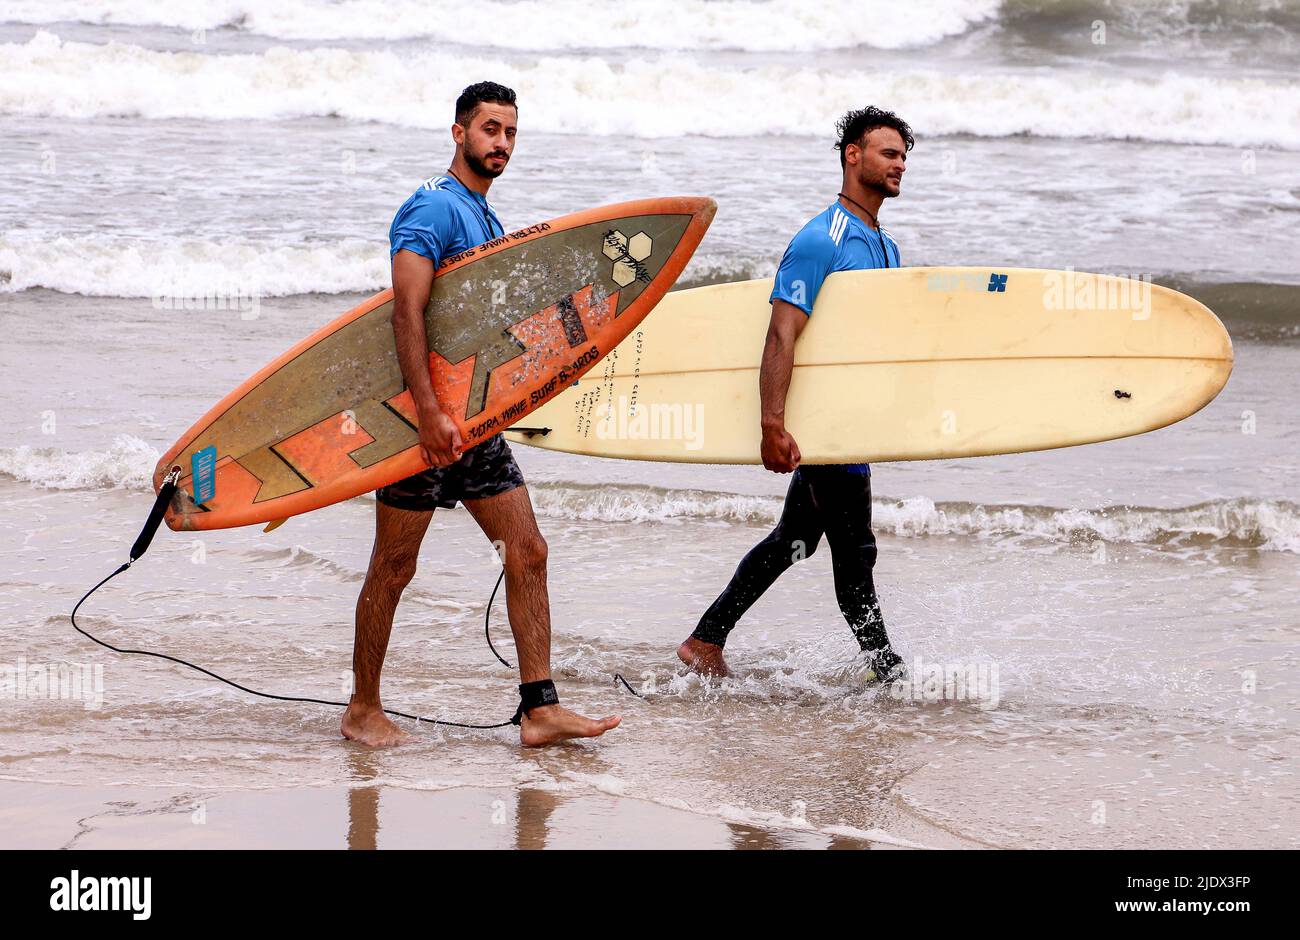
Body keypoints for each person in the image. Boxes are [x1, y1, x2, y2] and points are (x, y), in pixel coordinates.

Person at [341, 81, 620, 747]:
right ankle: (362, 708)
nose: (501, 143)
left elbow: (481, 332)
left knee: (527, 551)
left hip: (474, 424)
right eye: (490, 129)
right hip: (423, 422)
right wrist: (432, 415)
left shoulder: (485, 218)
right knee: (394, 565)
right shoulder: (431, 210)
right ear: (459, 132)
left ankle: (539, 708)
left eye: (511, 132)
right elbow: (406, 314)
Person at [677, 106, 913, 680]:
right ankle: (888, 671)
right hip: (821, 427)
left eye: (904, 155)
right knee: (855, 552)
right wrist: (772, 424)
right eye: (888, 152)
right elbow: (782, 332)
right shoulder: (820, 240)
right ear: (852, 156)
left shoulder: (886, 245)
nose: (900, 164)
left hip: (847, 425)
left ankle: (706, 640)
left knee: (797, 540)